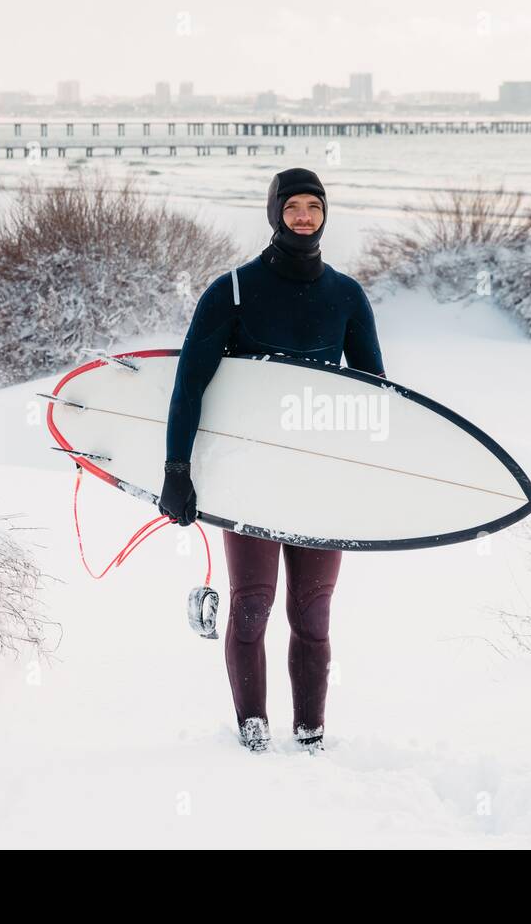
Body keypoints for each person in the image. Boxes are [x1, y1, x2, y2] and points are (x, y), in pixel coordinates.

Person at [158, 168, 386, 754]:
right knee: (253, 607)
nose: (304, 215)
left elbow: (372, 400)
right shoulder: (231, 291)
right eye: (293, 206)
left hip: (319, 479)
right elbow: (190, 387)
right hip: (248, 479)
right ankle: (252, 728)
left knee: (312, 614)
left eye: (314, 205)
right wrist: (176, 470)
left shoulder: (346, 295)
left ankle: (310, 731)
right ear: (274, 212)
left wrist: (375, 481)